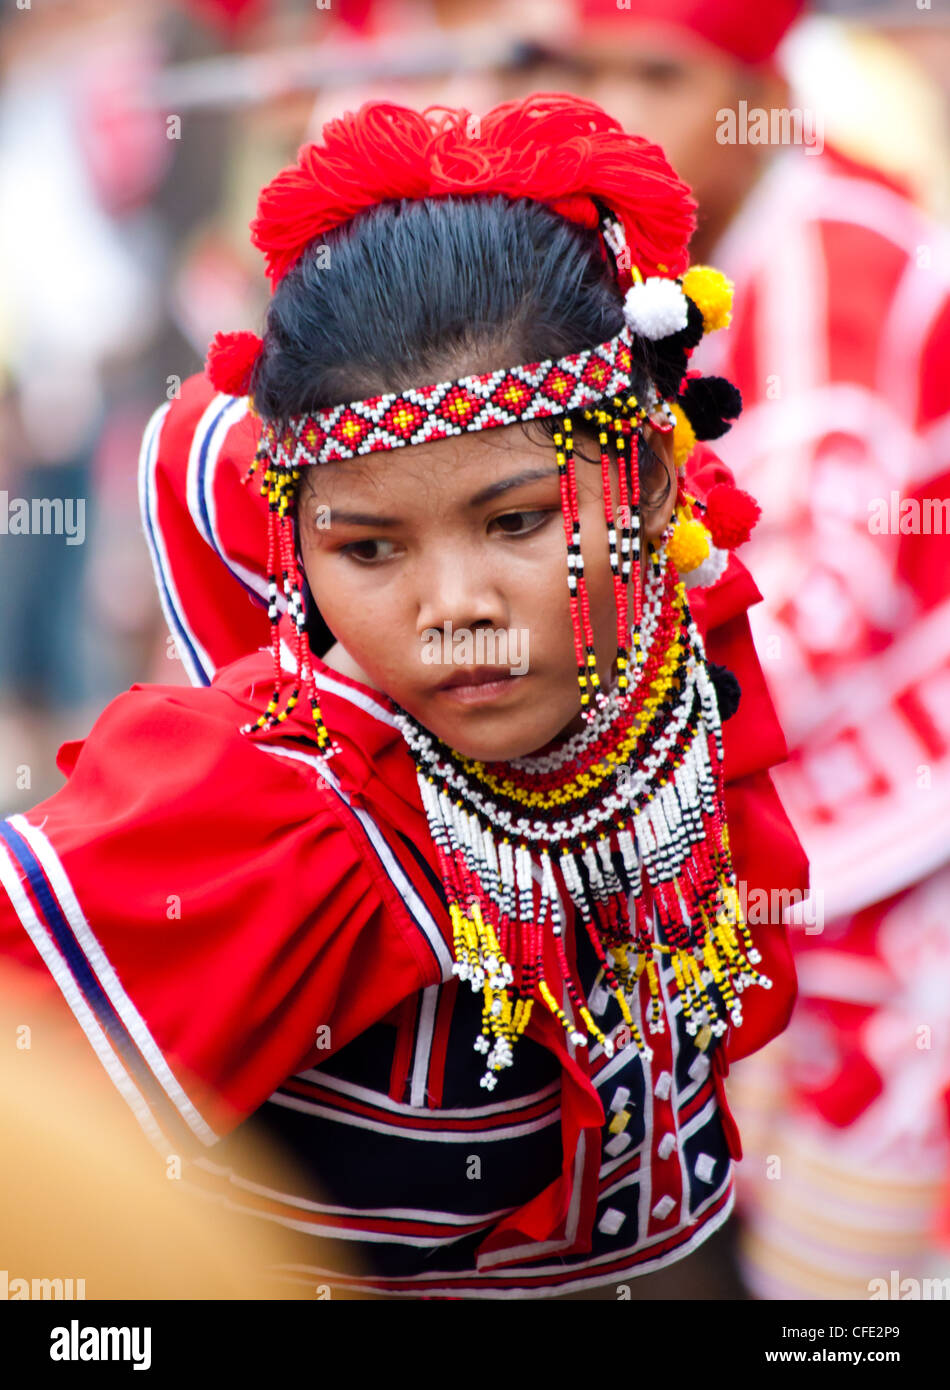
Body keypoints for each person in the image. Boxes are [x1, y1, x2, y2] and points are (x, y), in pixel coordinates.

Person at [0, 93, 807, 1299]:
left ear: (642, 485)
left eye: (517, 522)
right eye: (367, 550)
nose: (452, 607)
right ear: (302, 548)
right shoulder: (276, 814)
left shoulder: (669, 658)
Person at [525, 0, 950, 1298]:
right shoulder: (680, 264)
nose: (616, 110)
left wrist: (546, 702)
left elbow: (816, 608)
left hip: (891, 888)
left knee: (846, 1289)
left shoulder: (839, 257)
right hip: (771, 870)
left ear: (754, 83)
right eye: (585, 72)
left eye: (657, 73)